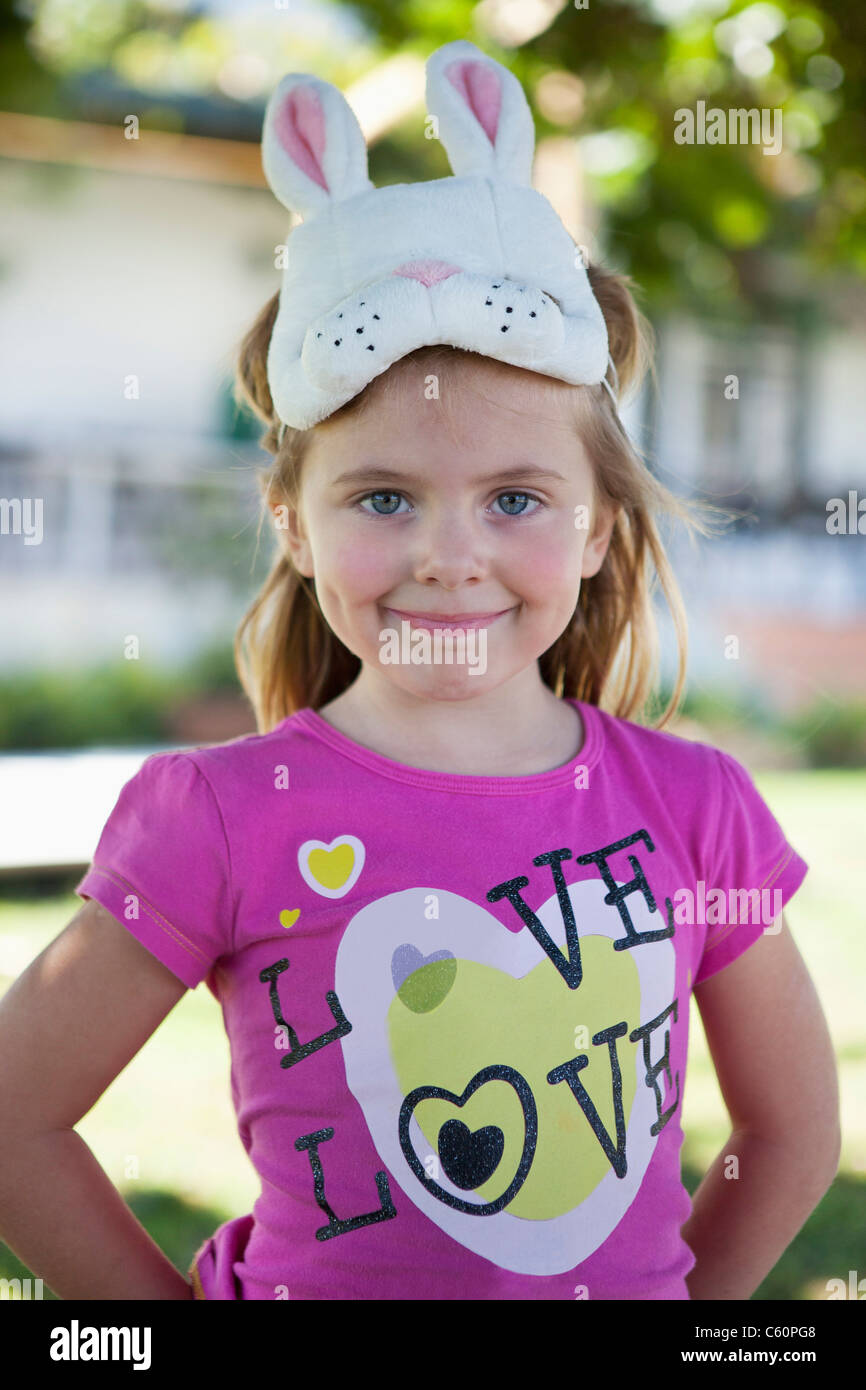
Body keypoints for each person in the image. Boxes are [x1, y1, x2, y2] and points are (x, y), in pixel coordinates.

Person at [0, 40, 839, 1302]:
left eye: (515, 498)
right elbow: (17, 1122)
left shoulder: (696, 808)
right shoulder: (217, 817)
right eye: (383, 496)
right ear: (292, 517)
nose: (450, 559)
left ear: (597, 526)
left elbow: (787, 1136)